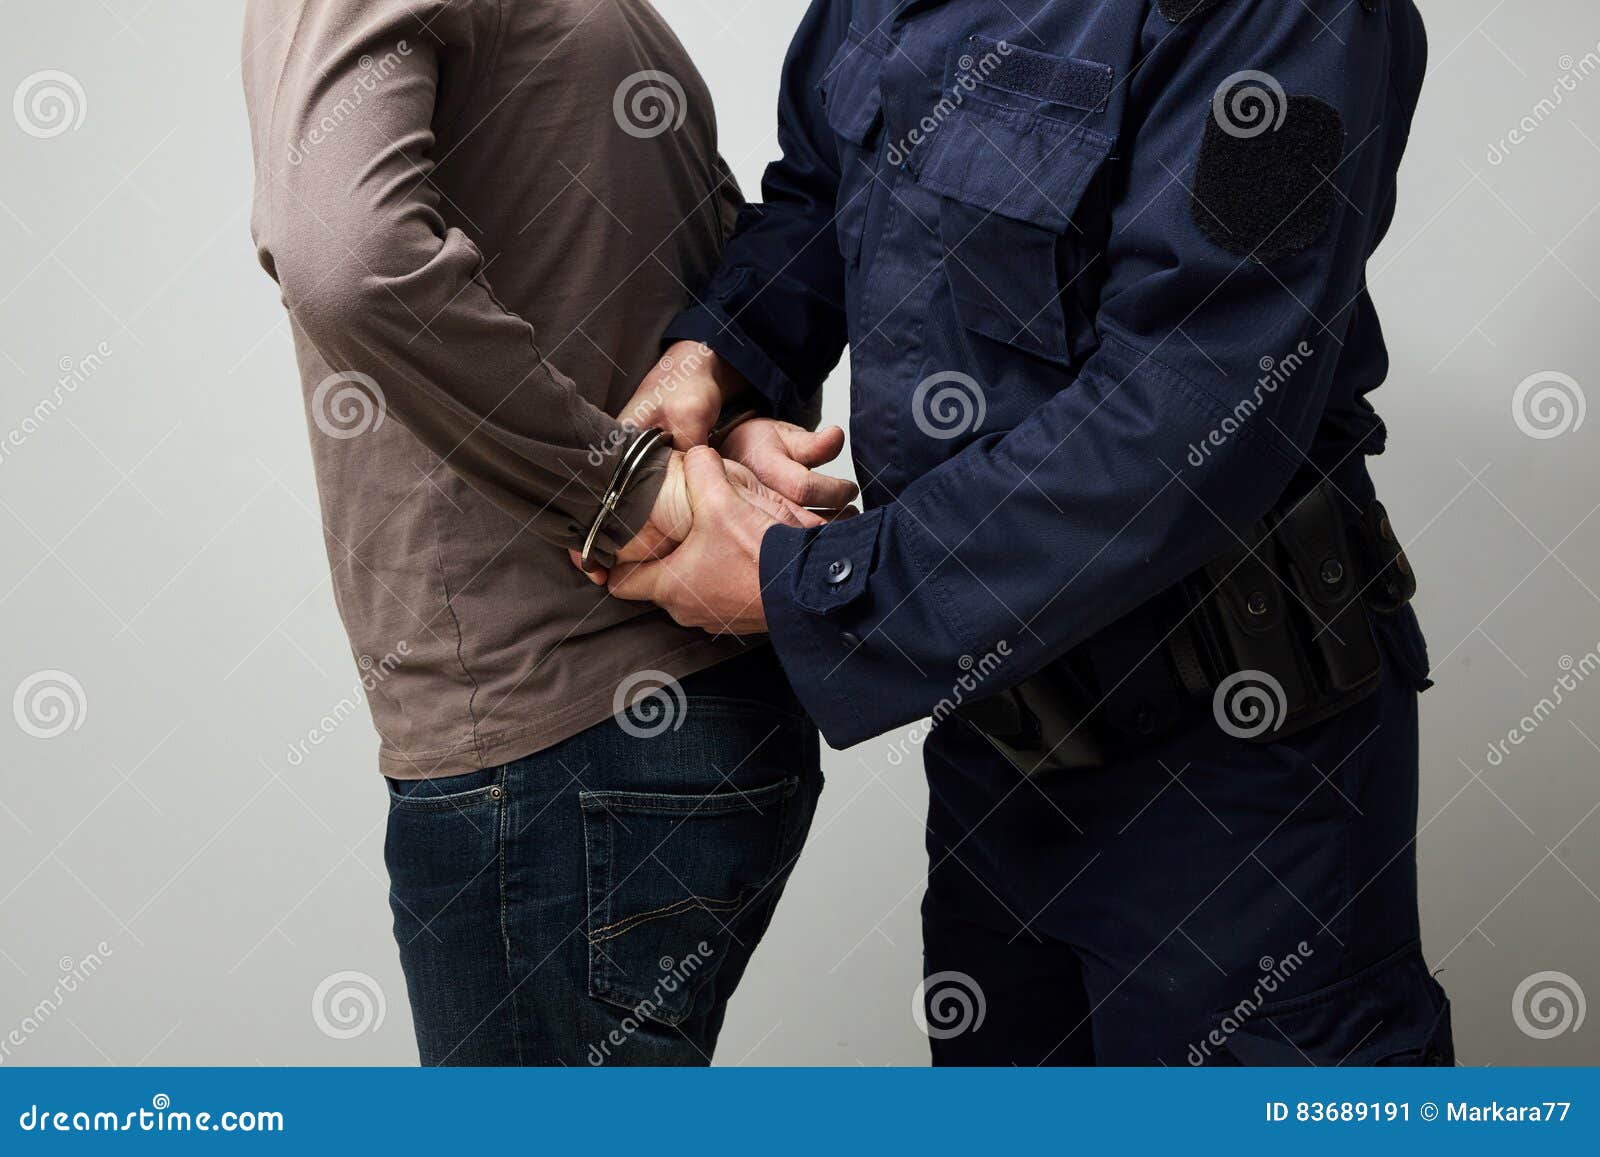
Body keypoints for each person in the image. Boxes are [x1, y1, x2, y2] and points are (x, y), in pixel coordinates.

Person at [591, 0, 1456, 1066]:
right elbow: (825, 190)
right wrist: (721, 357)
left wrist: (807, 585)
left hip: (1237, 774)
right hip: (1000, 747)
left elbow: (1191, 410)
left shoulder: (1288, 18)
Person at [240, 0, 856, 1066]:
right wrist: (654, 475)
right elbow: (356, 263)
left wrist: (682, 450)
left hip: (575, 749)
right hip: (598, 740)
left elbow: (366, 259)